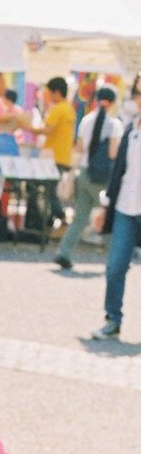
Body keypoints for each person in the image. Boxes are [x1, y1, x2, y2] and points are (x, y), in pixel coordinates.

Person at [91, 76, 141, 339]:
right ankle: (112, 318)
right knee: (115, 266)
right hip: (125, 206)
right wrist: (106, 204)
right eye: (138, 92)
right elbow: (119, 171)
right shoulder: (130, 129)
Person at [55, 86, 122, 271]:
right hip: (102, 177)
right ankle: (116, 260)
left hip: (84, 173)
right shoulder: (114, 124)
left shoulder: (85, 120)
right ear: (113, 102)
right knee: (109, 217)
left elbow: (79, 148)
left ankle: (63, 252)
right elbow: (113, 153)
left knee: (80, 218)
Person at [41, 76, 77, 225]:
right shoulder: (69, 109)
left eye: (48, 92)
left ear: (56, 92)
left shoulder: (58, 109)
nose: (47, 96)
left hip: (53, 157)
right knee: (51, 191)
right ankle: (51, 222)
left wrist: (24, 125)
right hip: (63, 157)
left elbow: (47, 130)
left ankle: (60, 217)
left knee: (48, 192)